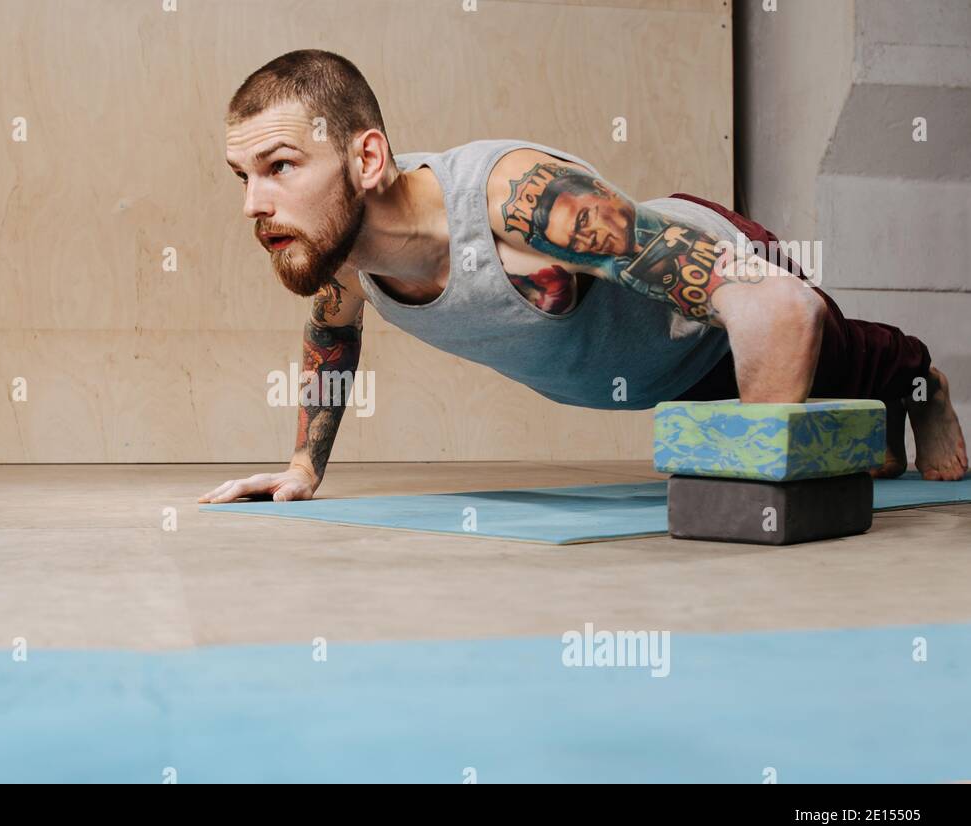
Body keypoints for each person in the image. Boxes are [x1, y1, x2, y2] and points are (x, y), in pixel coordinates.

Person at [200, 50, 966, 505]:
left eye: (278, 168)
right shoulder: (343, 258)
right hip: (668, 374)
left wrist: (752, 502)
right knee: (836, 425)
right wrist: (304, 466)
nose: (251, 205)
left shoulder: (521, 202)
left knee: (853, 362)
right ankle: (874, 418)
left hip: (721, 284)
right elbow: (331, 336)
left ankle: (919, 380)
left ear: (366, 159)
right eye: (242, 175)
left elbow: (775, 305)